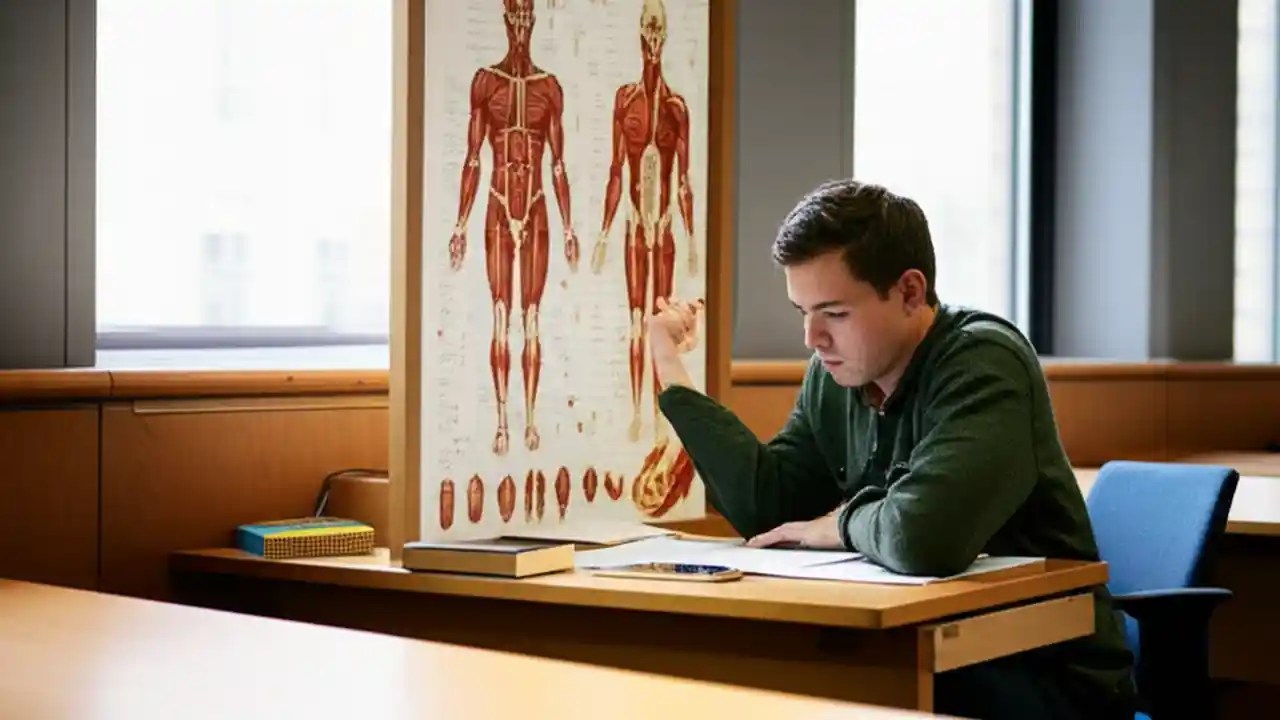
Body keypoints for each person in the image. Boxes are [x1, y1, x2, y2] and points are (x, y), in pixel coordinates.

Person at [647, 179, 1137, 719]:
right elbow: (772, 510)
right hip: (920, 652)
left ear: (908, 292)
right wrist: (670, 366)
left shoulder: (983, 361)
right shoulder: (834, 377)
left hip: (1040, 673)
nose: (812, 338)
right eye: (801, 312)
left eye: (834, 313)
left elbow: (925, 534)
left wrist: (833, 524)